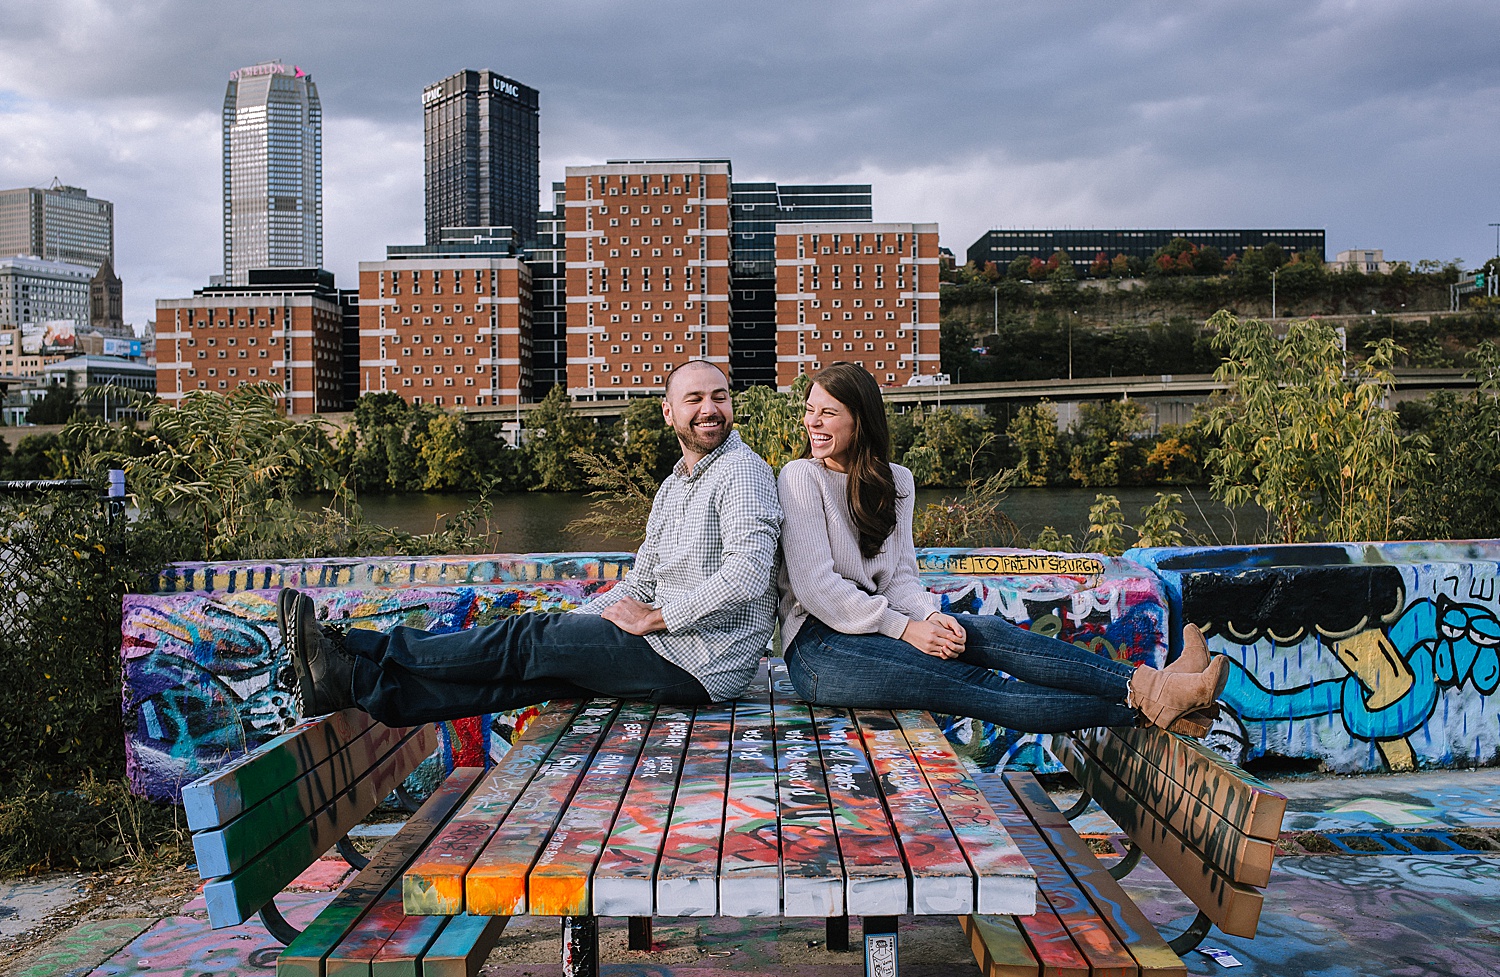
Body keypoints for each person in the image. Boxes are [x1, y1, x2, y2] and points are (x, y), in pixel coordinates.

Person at [280, 360, 783, 725]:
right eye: (694, 399)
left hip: (699, 660)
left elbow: (746, 574)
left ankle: (356, 644)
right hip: (667, 648)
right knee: (526, 676)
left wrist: (654, 618)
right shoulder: (675, 486)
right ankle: (351, 686)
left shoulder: (742, 473)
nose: (710, 409)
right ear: (669, 413)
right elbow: (642, 581)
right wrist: (586, 620)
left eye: (719, 396)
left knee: (527, 639)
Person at [777, 362, 1226, 735]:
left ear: (861, 419)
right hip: (820, 648)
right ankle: (1155, 703)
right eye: (810, 410)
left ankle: (1154, 687)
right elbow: (818, 590)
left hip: (876, 627)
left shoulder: (897, 482)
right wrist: (904, 629)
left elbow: (899, 577)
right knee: (974, 683)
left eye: (828, 413)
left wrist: (931, 617)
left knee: (987, 633)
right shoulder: (801, 476)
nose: (812, 423)